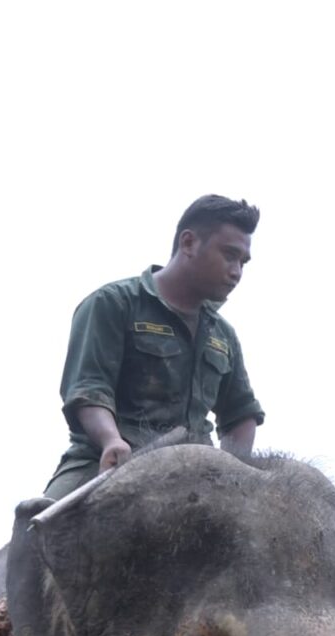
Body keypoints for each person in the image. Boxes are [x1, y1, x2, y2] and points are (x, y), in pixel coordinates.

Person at [43, 195, 266, 499]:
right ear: (188, 243)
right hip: (111, 461)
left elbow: (240, 412)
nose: (237, 272)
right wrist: (111, 440)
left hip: (198, 472)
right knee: (36, 527)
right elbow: (88, 389)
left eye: (243, 262)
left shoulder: (222, 334)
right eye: (229, 255)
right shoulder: (113, 304)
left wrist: (235, 468)